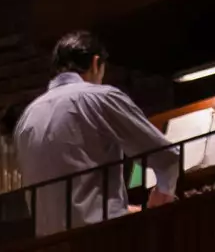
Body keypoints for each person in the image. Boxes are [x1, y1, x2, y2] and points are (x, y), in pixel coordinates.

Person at [14, 30, 179, 235]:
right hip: (103, 239)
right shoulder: (101, 97)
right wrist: (160, 198)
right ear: (95, 63)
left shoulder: (27, 117)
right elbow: (166, 157)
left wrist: (119, 210)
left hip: (51, 247)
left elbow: (68, 201)